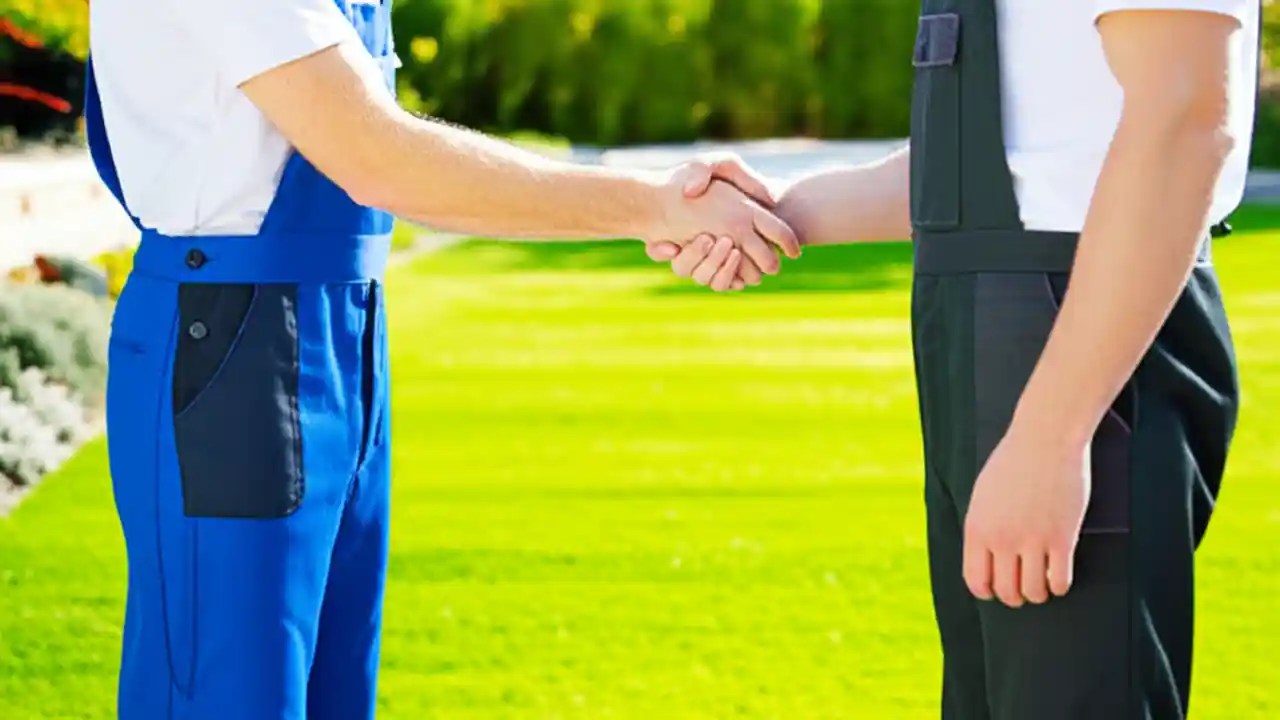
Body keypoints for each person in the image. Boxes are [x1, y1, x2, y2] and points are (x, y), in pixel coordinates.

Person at [86, 1, 796, 718]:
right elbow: (378, 158)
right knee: (232, 695)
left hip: (342, 330)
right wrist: (657, 207)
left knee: (335, 693)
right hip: (229, 346)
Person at [656, 2, 1257, 717]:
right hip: (991, 336)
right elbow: (1011, 161)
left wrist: (1050, 436)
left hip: (1077, 343)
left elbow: (1183, 118)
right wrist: (772, 211)